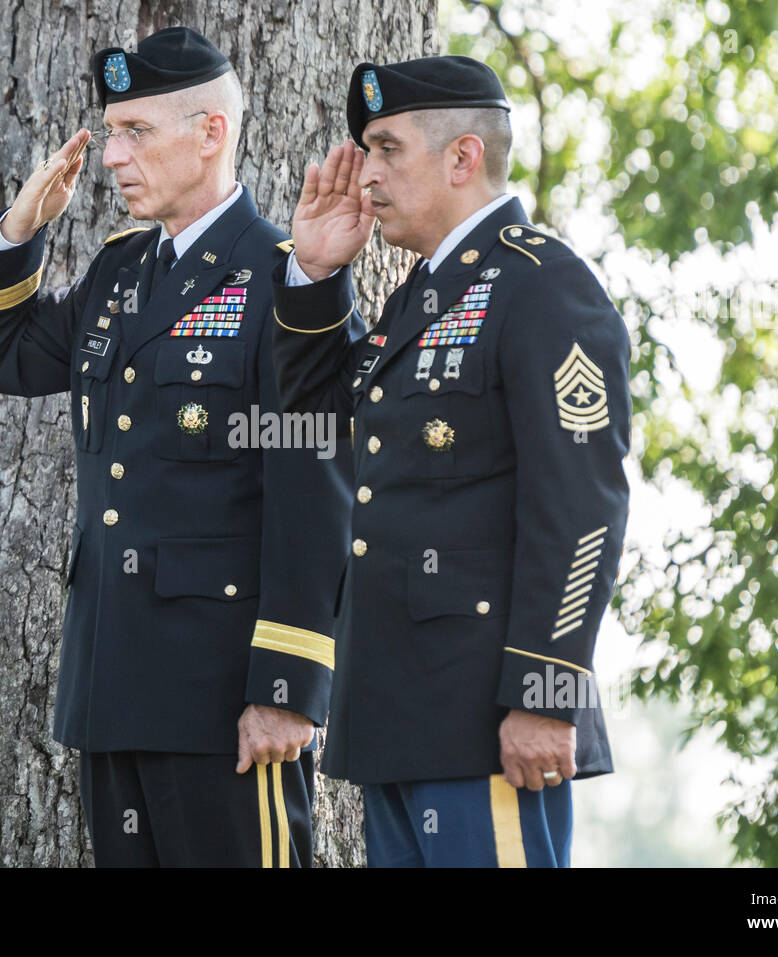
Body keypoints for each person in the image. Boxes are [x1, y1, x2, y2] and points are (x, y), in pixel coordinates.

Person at [0, 26, 357, 867]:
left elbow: (314, 492)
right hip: (115, 682)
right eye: (110, 133)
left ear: (210, 134)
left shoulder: (283, 280)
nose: (110, 156)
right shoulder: (118, 275)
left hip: (227, 701)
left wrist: (286, 690)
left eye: (137, 132)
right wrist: (22, 226)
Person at [271, 54, 632, 867]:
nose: (366, 177)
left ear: (463, 157)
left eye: (388, 149)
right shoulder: (420, 299)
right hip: (397, 715)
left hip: (488, 719)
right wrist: (317, 275)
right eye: (364, 151)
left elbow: (584, 506)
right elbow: (324, 427)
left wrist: (546, 693)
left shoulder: (544, 285)